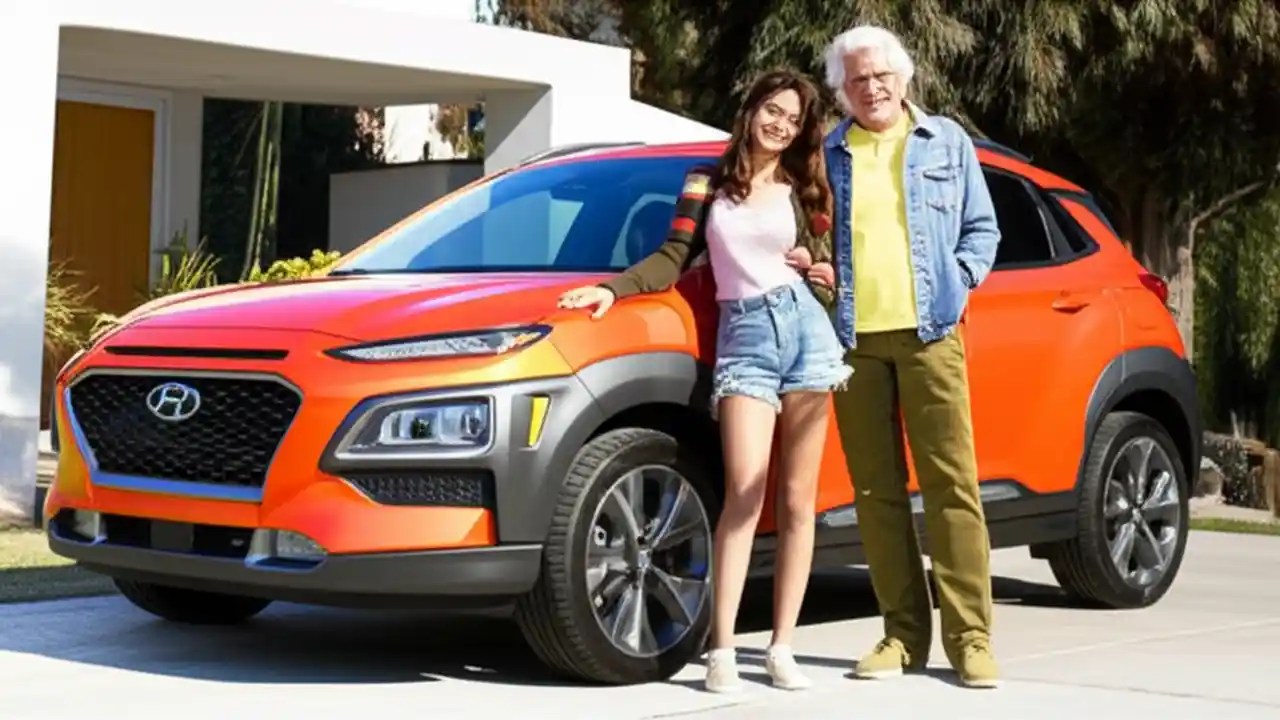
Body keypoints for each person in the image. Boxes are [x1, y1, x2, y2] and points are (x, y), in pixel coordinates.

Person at [556, 69, 851, 694]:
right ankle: (721, 648)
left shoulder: (804, 187)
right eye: (773, 110)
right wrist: (612, 289)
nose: (780, 125)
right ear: (751, 110)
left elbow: (829, 265)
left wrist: (821, 270)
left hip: (806, 336)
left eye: (793, 120)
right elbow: (673, 256)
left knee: (798, 503)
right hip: (745, 339)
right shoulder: (707, 183)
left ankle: (781, 648)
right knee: (744, 492)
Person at [819, 25, 1003, 688]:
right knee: (876, 494)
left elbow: (982, 229)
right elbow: (807, 232)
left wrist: (958, 283)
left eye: (880, 76)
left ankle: (972, 639)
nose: (871, 88)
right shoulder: (828, 152)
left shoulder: (944, 141)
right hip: (854, 344)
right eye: (857, 79)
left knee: (953, 488)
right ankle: (902, 636)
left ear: (904, 77)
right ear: (842, 91)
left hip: (930, 336)